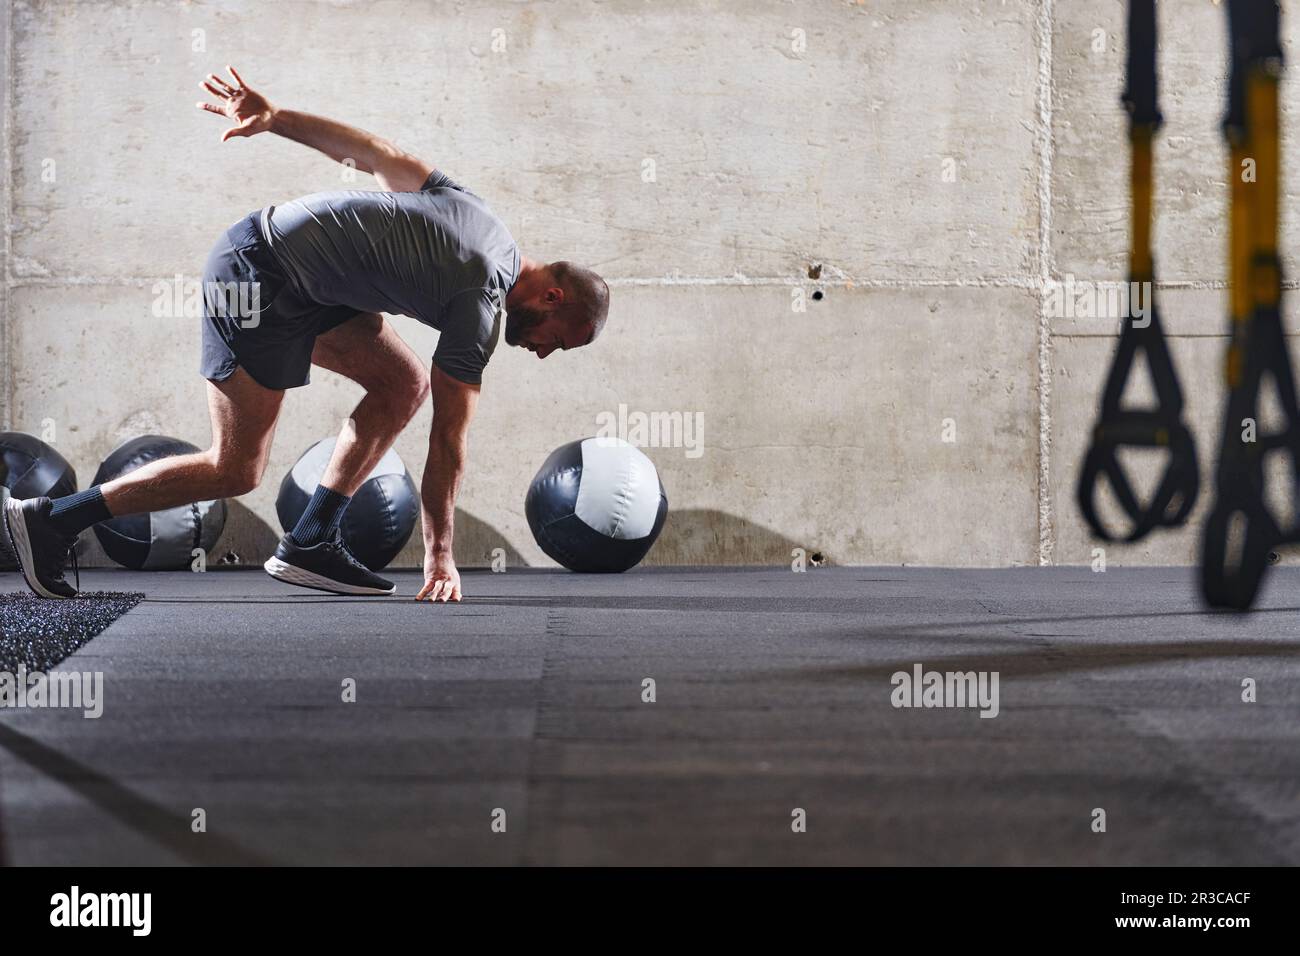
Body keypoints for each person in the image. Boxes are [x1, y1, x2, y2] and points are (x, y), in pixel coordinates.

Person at [3, 66, 610, 603]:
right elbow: (448, 445)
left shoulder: (484, 221)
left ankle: (311, 537)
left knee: (401, 384)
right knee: (235, 470)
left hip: (309, 286)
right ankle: (52, 519)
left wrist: (276, 119)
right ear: (551, 297)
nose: (547, 351)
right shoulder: (479, 301)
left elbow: (375, 153)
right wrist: (440, 553)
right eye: (562, 338)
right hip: (257, 276)